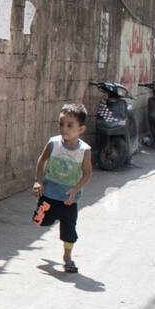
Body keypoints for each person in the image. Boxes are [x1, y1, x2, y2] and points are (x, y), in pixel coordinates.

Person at [31, 104, 93, 274]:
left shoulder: (84, 151)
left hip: (69, 199)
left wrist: (76, 189)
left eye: (69, 125)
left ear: (81, 129)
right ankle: (45, 213)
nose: (64, 129)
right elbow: (41, 161)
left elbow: (87, 174)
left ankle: (68, 257)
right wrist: (38, 181)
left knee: (69, 230)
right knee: (40, 221)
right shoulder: (53, 143)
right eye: (61, 124)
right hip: (49, 193)